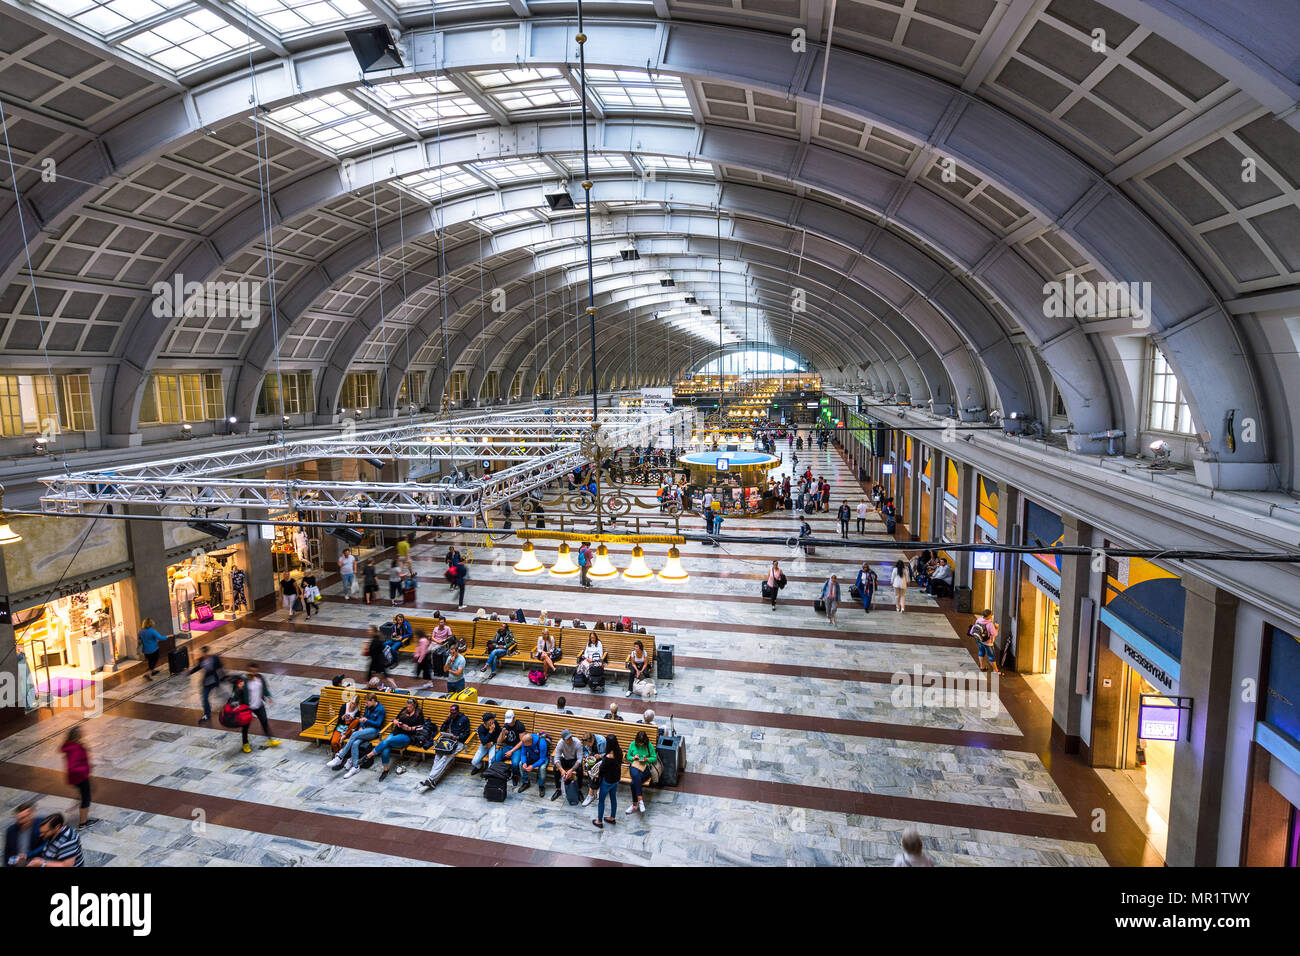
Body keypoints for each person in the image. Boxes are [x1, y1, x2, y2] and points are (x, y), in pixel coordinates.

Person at [417, 703, 472, 792]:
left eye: (454, 713)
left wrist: (457, 737)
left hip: (458, 742)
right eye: (451, 713)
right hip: (448, 741)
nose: (452, 715)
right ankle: (432, 780)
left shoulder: (464, 719)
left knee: (445, 758)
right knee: (437, 756)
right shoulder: (450, 718)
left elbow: (466, 734)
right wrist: (446, 720)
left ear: (458, 712)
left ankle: (431, 779)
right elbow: (442, 730)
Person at [328, 692, 385, 778]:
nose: (366, 704)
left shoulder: (381, 709)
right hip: (365, 730)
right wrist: (361, 726)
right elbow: (362, 719)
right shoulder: (368, 707)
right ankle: (355, 766)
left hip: (374, 731)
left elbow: (378, 723)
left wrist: (366, 721)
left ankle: (340, 757)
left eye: (367, 702)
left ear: (373, 701)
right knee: (355, 744)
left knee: (354, 734)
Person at [373, 696, 423, 781]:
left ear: (414, 706)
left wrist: (409, 728)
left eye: (410, 707)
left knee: (387, 741)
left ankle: (369, 755)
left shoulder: (418, 713)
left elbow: (421, 727)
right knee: (386, 748)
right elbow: (395, 720)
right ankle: (385, 770)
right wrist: (396, 722)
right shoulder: (404, 710)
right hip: (396, 732)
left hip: (407, 735)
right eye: (407, 706)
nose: (408, 708)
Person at [233, 663, 279, 753]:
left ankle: (271, 739)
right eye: (251, 671)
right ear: (248, 671)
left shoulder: (260, 678)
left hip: (259, 705)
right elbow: (236, 694)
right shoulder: (244, 680)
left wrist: (268, 696)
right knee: (246, 726)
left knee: (264, 721)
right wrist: (239, 688)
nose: (253, 673)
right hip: (247, 707)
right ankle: (245, 744)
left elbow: (264, 688)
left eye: (255, 671)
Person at [60, 727, 95, 828]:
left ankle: (77, 802)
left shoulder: (71, 746)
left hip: (76, 777)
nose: (84, 732)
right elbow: (73, 766)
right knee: (86, 799)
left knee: (84, 793)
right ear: (77, 735)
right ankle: (83, 823)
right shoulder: (75, 748)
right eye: (81, 731)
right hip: (80, 777)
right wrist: (85, 770)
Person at [624, 729, 657, 815]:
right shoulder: (633, 744)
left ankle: (635, 805)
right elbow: (628, 757)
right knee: (635, 775)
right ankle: (640, 801)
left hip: (646, 767)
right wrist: (633, 758)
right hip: (635, 765)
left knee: (633, 783)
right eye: (639, 743)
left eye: (642, 743)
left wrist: (647, 759)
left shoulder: (649, 745)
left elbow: (654, 757)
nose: (640, 745)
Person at [591, 734, 622, 828]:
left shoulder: (608, 758)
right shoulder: (619, 752)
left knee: (601, 801)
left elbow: (601, 771)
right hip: (616, 780)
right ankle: (612, 817)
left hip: (607, 782)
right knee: (613, 798)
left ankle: (599, 821)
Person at [190, 645, 225, 723]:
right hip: (207, 682)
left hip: (215, 680)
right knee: (205, 697)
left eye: (206, 652)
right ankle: (207, 714)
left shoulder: (214, 658)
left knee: (221, 696)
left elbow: (220, 667)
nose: (204, 654)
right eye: (203, 653)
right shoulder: (201, 660)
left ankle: (228, 709)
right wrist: (189, 672)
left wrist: (223, 677)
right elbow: (198, 667)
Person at [5, 802, 46, 867]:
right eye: (18, 819)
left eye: (23, 818)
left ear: (32, 814)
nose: (20, 821)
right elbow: (7, 853)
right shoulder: (11, 830)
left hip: (36, 862)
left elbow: (46, 845)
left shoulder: (42, 825)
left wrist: (28, 855)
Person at [551, 729, 583, 802]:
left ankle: (579, 790)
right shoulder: (560, 743)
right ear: (563, 740)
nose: (570, 739)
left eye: (570, 737)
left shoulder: (577, 743)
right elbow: (556, 759)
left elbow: (579, 760)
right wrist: (561, 770)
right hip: (564, 759)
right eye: (567, 739)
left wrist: (571, 770)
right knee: (555, 767)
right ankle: (558, 789)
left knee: (580, 769)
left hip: (574, 760)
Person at [973, 609, 1001, 675]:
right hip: (987, 642)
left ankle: (982, 666)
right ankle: (995, 670)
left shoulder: (979, 619)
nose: (991, 616)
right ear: (988, 616)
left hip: (979, 639)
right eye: (991, 615)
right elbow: (994, 634)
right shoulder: (990, 624)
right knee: (991, 656)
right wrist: (997, 628)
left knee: (981, 651)